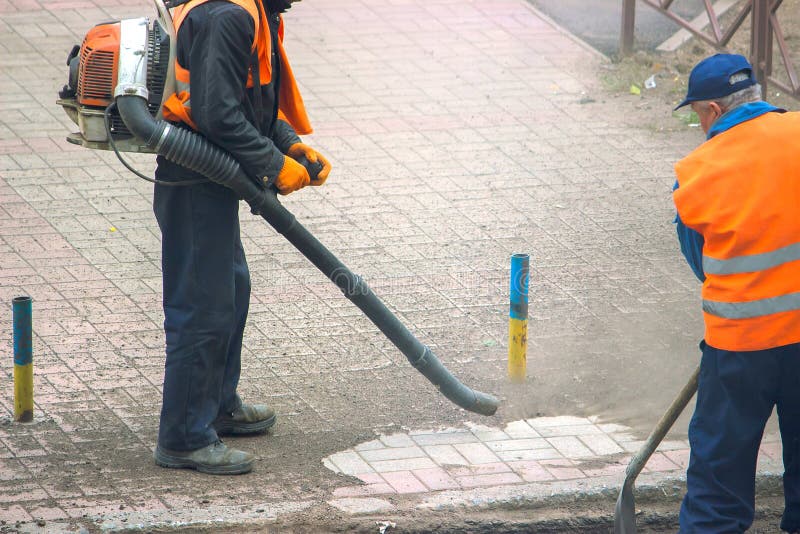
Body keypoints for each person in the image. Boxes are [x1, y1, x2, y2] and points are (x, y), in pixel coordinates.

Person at [151, 0, 331, 475]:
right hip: (193, 179)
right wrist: (273, 165)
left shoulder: (259, 12)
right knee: (203, 307)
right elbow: (216, 114)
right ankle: (184, 437)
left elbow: (251, 100)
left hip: (213, 177)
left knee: (233, 289)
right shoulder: (228, 17)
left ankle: (217, 405)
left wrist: (289, 143)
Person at [672, 53, 800, 532]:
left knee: (718, 487)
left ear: (711, 111)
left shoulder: (697, 172)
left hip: (740, 351)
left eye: (697, 116)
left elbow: (700, 261)